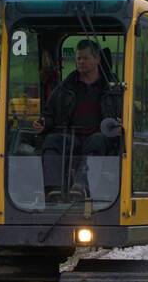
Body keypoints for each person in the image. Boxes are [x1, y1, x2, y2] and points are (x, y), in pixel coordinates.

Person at [34, 39, 114, 196]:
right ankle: (52, 189)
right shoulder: (66, 87)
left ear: (97, 59)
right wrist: (44, 123)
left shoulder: (112, 88)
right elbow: (50, 113)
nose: (81, 62)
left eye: (85, 58)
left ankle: (81, 186)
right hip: (72, 137)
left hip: (99, 137)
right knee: (52, 141)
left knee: (96, 140)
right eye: (78, 58)